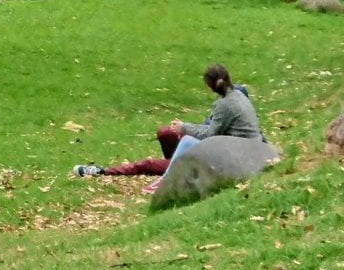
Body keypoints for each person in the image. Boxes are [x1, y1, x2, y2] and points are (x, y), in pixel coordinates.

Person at [74, 64, 264, 192]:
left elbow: (211, 134)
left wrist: (185, 128)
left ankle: (103, 172)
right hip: (227, 148)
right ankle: (173, 164)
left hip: (228, 158)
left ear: (209, 85)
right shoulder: (236, 94)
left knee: (147, 164)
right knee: (166, 133)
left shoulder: (226, 104)